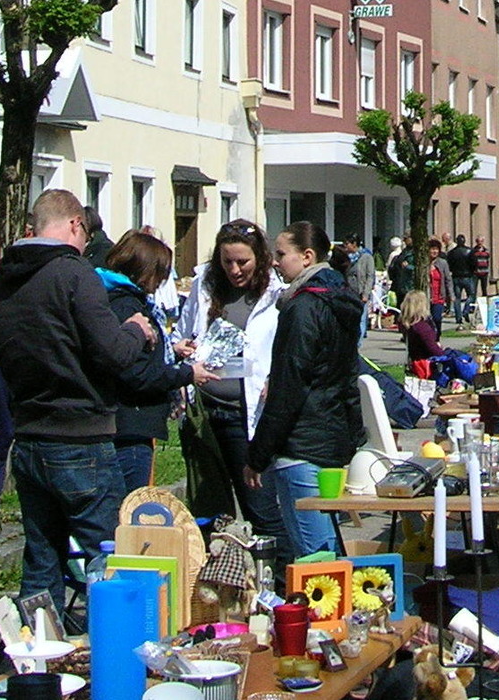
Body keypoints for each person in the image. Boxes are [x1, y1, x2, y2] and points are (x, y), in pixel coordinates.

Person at [0, 189, 155, 614]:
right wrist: (137, 329)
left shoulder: (3, 280)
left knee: (42, 558)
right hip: (81, 435)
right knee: (113, 555)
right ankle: (116, 657)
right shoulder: (74, 274)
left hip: (28, 435)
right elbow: (114, 353)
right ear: (76, 225)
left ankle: (36, 662)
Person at [247, 222, 364, 562]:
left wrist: (258, 453)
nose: (274, 262)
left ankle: (329, 615)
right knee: (325, 543)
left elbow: (287, 387)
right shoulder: (340, 300)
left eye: (281, 254)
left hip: (302, 441)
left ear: (307, 256)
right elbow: (346, 375)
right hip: (330, 436)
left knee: (315, 558)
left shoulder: (303, 308)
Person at [181, 220, 284, 540]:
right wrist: (182, 347)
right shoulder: (205, 285)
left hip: (246, 416)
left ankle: (278, 580)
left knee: (260, 509)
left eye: (243, 262)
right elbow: (185, 332)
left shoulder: (274, 293)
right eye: (227, 262)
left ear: (260, 259)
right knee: (208, 512)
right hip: (205, 413)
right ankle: (217, 582)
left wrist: (274, 377)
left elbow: (284, 346)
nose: (235, 270)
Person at [99, 231, 200, 495]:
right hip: (130, 423)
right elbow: (136, 373)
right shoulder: (126, 307)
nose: (161, 283)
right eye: (160, 274)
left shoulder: (114, 298)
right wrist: (186, 374)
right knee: (132, 506)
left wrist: (173, 352)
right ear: (144, 271)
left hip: (128, 422)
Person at [400, 288, 453, 368]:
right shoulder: (421, 327)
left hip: (415, 361)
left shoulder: (407, 324)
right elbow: (434, 350)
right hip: (427, 365)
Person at [446, 235, 479, 323]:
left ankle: (458, 318)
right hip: (468, 276)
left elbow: (449, 265)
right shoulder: (470, 251)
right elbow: (474, 264)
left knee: (457, 298)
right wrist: (472, 271)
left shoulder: (452, 253)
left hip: (456, 277)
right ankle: (466, 310)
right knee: (472, 295)